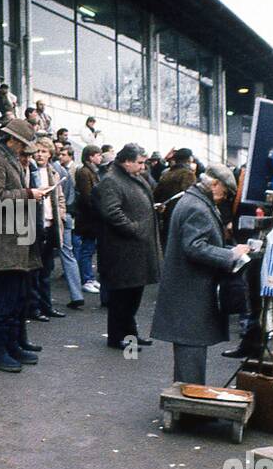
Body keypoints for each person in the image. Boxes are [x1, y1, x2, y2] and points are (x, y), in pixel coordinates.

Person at [151, 173, 250, 383]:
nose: (225, 198)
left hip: (186, 289)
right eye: (226, 193)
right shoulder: (197, 207)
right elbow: (195, 247)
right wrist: (231, 254)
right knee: (191, 350)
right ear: (215, 184)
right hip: (190, 292)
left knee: (191, 350)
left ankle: (186, 403)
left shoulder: (192, 200)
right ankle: (188, 409)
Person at [0, 119, 50, 372]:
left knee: (16, 297)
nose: (26, 150)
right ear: (13, 141)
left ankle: (10, 345)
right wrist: (30, 194)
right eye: (23, 145)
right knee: (3, 299)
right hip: (2, 241)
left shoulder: (4, 159)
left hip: (13, 239)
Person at [93, 143, 162, 350]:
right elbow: (112, 212)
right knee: (121, 298)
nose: (143, 167)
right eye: (140, 163)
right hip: (122, 250)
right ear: (126, 161)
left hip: (134, 249)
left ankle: (130, 334)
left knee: (132, 296)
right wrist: (134, 229)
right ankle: (117, 337)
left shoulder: (130, 177)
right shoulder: (112, 181)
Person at [27, 138, 67, 321]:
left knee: (47, 269)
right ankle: (34, 308)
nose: (40, 154)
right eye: (37, 151)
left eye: (44, 151)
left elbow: (60, 198)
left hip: (51, 225)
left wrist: (61, 216)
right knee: (34, 269)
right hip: (35, 225)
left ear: (50, 154)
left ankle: (46, 306)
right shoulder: (29, 171)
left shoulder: (54, 172)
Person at [53, 144, 85, 310]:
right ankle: (76, 294)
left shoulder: (56, 171)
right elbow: (71, 197)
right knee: (68, 254)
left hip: (57, 217)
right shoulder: (63, 172)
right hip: (65, 216)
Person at [74, 144, 103, 295]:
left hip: (90, 217)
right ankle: (86, 279)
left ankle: (89, 277)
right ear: (91, 157)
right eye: (98, 155)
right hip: (88, 218)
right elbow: (87, 196)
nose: (100, 157)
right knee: (87, 249)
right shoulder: (85, 172)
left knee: (88, 249)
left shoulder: (91, 171)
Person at [154, 147, 197, 245]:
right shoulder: (188, 174)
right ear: (189, 159)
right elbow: (191, 197)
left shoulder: (166, 174)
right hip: (181, 217)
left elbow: (156, 195)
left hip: (165, 215)